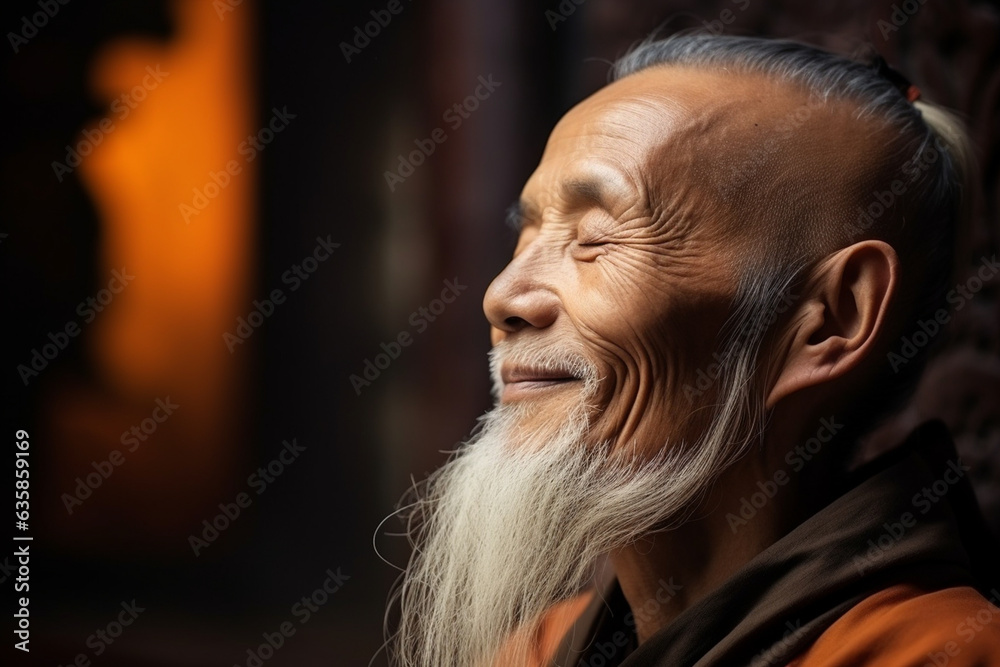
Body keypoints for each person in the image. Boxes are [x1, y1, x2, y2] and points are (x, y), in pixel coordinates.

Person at [383, 33, 1000, 666]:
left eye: (596, 237)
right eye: (530, 231)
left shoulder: (936, 653)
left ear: (831, 317)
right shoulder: (537, 649)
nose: (502, 296)